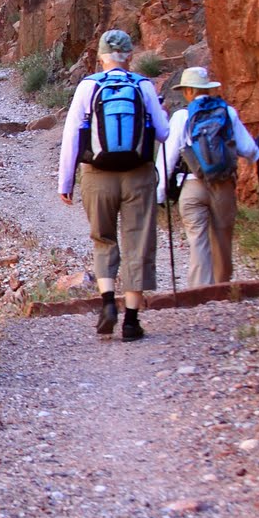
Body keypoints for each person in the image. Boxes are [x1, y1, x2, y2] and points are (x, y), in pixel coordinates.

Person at [57, 29, 170, 341]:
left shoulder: (88, 87)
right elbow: (163, 134)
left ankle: (108, 303)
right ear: (130, 56)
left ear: (101, 57)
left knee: (103, 239)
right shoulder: (143, 85)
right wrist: (163, 115)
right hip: (138, 173)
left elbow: (71, 137)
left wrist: (65, 181)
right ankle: (132, 321)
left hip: (96, 173)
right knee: (138, 242)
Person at [158, 66, 259, 288]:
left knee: (197, 240)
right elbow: (249, 150)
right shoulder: (228, 112)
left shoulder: (181, 117)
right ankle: (222, 288)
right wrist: (257, 152)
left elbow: (167, 157)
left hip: (191, 186)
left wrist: (159, 193)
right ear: (208, 89)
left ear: (187, 91)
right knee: (222, 238)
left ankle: (199, 292)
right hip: (222, 185)